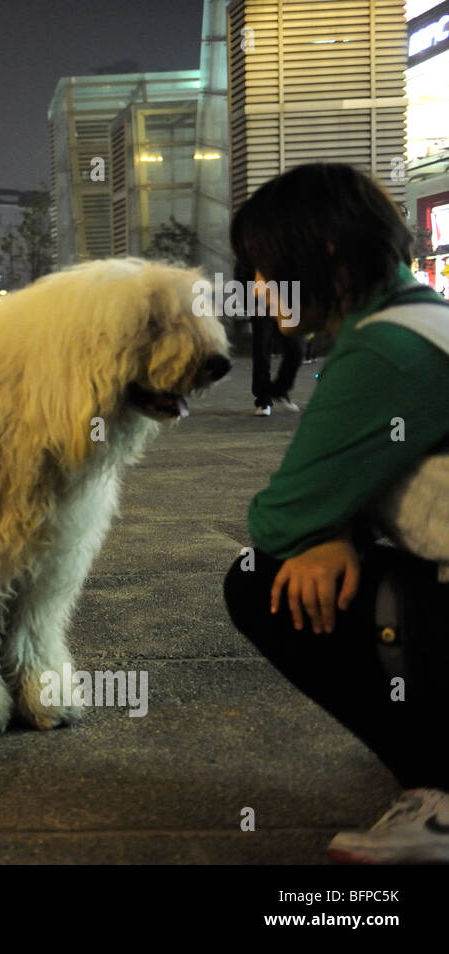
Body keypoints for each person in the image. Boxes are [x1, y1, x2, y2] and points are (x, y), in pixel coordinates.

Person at [221, 162, 449, 864]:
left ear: (323, 252)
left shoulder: (386, 348)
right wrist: (338, 529)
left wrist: (321, 533)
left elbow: (282, 517)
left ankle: (440, 796)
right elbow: (338, 487)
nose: (257, 285)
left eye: (263, 265)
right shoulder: (425, 317)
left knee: (260, 578)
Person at [249, 278, 303, 415]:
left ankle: (279, 389)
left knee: (296, 348)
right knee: (261, 351)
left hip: (287, 301)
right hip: (261, 304)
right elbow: (243, 273)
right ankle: (263, 400)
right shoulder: (253, 256)